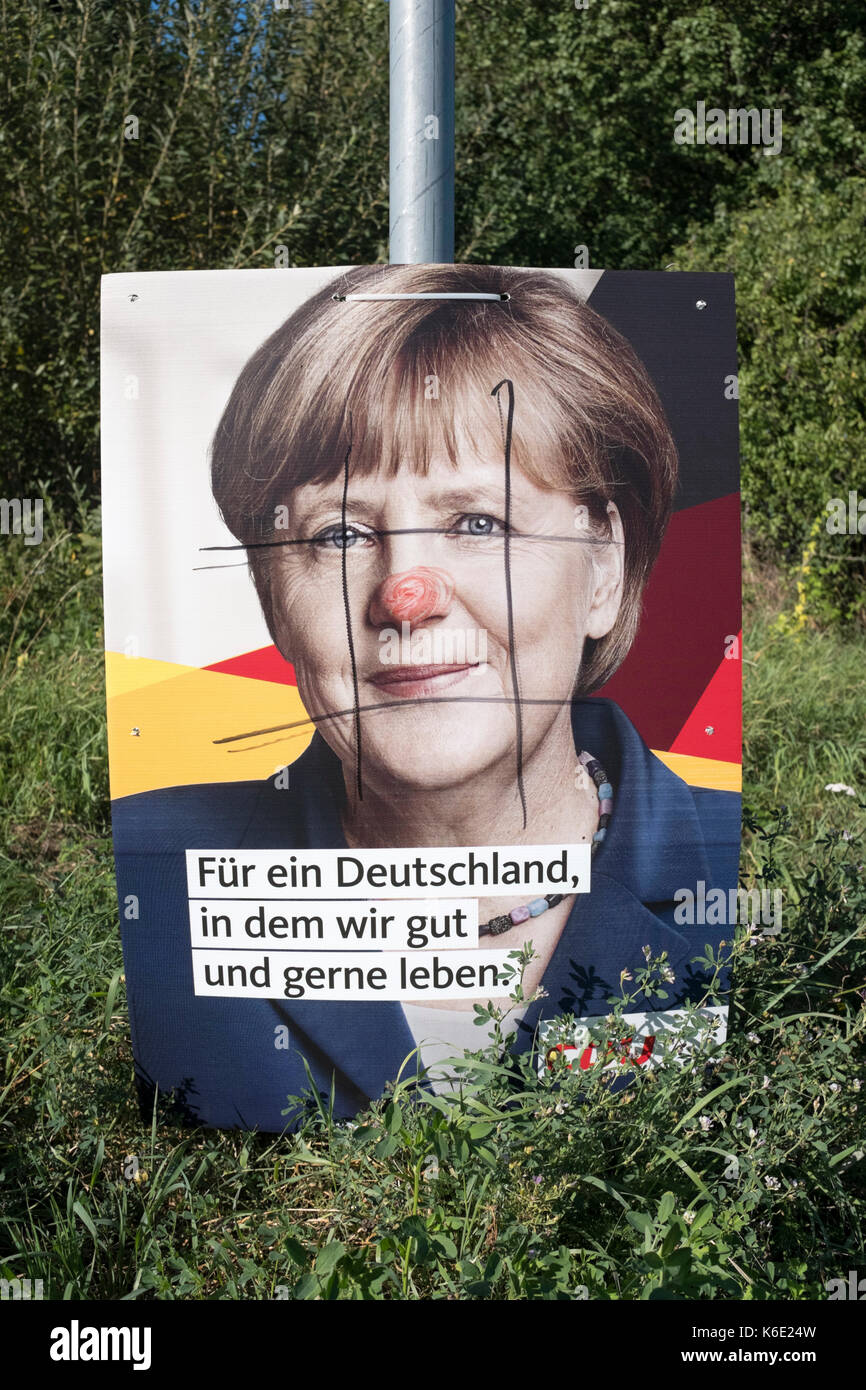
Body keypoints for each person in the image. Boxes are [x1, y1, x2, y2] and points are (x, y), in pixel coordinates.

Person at [111, 263, 740, 1130]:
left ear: (602, 566)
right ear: (270, 596)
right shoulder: (141, 873)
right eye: (338, 533)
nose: (406, 591)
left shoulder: (754, 876)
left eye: (477, 523)